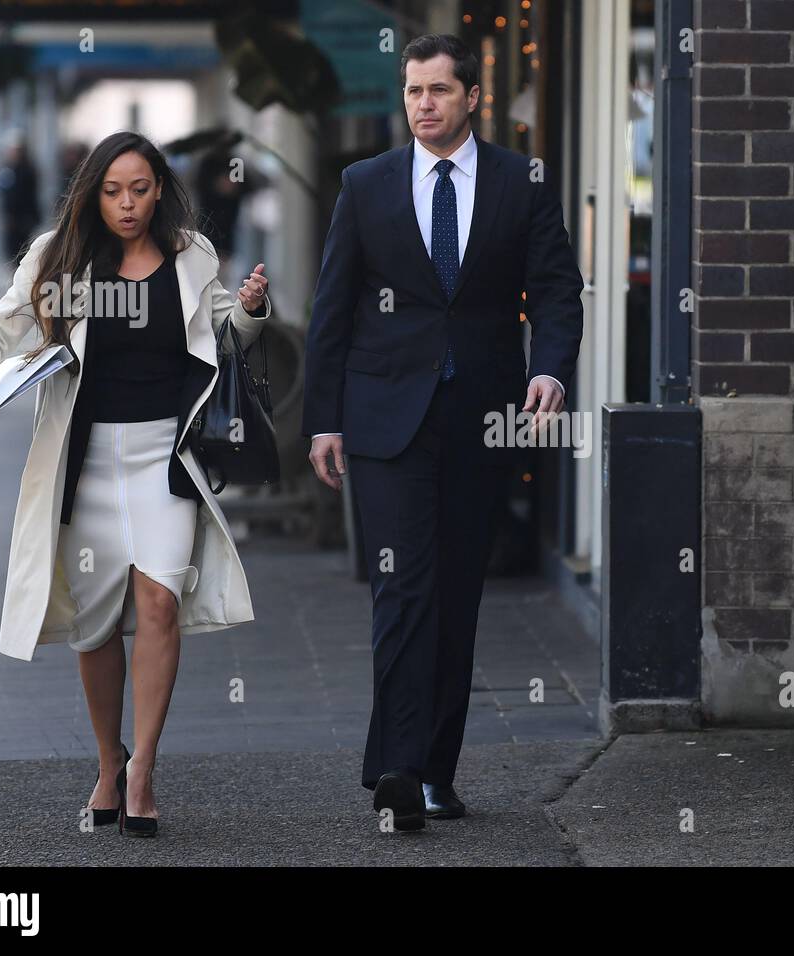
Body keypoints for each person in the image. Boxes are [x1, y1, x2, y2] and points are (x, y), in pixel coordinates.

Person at [0, 130, 273, 838]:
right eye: (113, 191)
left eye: (141, 189)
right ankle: (106, 761)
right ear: (93, 193)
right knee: (94, 625)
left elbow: (224, 338)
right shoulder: (58, 256)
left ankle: (144, 770)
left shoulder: (191, 254)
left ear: (161, 190)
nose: (128, 205)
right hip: (86, 464)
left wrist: (249, 309)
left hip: (165, 460)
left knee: (159, 603)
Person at [302, 34, 584, 831]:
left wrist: (550, 369)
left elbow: (557, 292)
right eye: (412, 91)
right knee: (403, 587)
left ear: (471, 98)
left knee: (457, 594)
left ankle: (435, 772)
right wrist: (323, 418)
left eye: (437, 91)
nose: (422, 104)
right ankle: (396, 766)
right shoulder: (366, 184)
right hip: (387, 419)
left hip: (485, 420)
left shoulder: (520, 183)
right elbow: (332, 310)